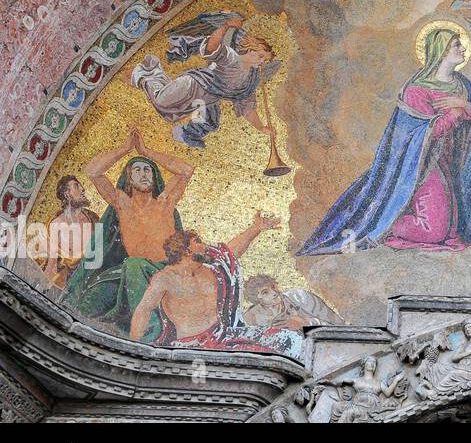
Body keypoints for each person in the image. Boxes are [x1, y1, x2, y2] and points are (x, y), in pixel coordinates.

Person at [297, 27, 471, 255]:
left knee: (461, 228)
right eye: (456, 45)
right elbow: (422, 135)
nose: (462, 49)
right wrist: (454, 114)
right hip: (419, 167)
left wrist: (465, 106)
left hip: (452, 166)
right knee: (433, 232)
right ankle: (384, 223)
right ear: (441, 52)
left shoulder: (462, 86)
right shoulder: (416, 91)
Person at [64, 129, 191, 341]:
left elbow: (186, 170)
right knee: (88, 303)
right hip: (128, 273)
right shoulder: (122, 203)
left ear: (155, 176)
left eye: (148, 170)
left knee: (134, 264)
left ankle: (150, 334)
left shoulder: (165, 202)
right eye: (137, 170)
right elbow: (93, 170)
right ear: (129, 178)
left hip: (164, 269)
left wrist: (146, 151)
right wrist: (125, 149)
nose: (143, 174)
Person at [130, 212, 301, 356]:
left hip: (224, 336)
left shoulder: (213, 268)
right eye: (198, 241)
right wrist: (135, 349)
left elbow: (231, 251)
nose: (205, 246)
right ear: (187, 250)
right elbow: (144, 309)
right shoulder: (165, 278)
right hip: (190, 346)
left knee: (289, 339)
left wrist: (256, 228)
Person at [131, 12, 278, 148]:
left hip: (206, 99)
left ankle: (184, 133)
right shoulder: (232, 57)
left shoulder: (250, 79)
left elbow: (248, 108)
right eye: (260, 56)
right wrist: (226, 26)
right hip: (193, 85)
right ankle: (147, 72)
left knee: (206, 121)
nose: (262, 62)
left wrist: (260, 127)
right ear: (249, 49)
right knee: (161, 101)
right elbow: (212, 47)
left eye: (265, 60)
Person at [43, 175, 100, 288]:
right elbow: (52, 264)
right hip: (73, 281)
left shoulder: (93, 218)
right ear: (67, 194)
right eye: (76, 186)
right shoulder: (57, 224)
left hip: (97, 276)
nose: (83, 189)